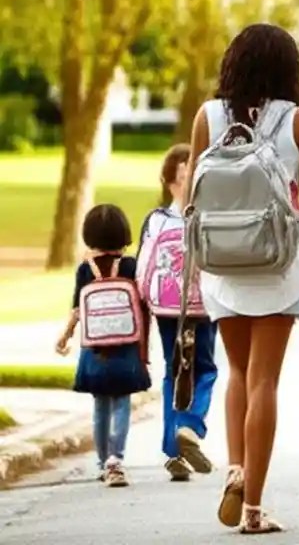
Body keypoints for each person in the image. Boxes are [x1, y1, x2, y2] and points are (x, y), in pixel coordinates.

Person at [184, 23, 299, 534]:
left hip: (222, 264)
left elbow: (190, 204)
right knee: (265, 379)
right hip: (279, 264)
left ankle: (236, 469)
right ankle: (252, 509)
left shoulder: (208, 115)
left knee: (238, 375)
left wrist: (188, 266)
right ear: (289, 68)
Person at [136, 143, 218, 483]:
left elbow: (142, 267)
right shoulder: (210, 215)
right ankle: (190, 426)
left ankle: (173, 450)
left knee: (174, 371)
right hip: (204, 305)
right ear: (172, 181)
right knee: (204, 369)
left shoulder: (156, 220)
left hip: (167, 307)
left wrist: (146, 300)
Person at [54, 205, 152, 487]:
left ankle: (101, 461)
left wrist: (65, 336)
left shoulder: (86, 269)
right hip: (127, 345)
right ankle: (116, 460)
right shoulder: (130, 266)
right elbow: (143, 305)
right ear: (123, 233)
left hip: (94, 348)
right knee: (122, 401)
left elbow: (76, 309)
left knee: (100, 404)